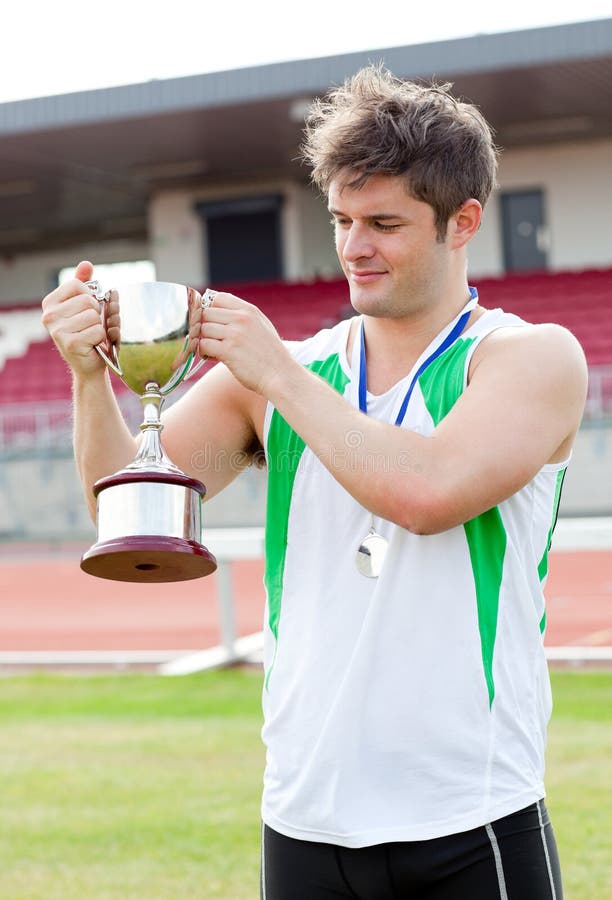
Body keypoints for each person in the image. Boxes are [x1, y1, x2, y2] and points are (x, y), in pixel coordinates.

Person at [42, 66, 587, 899]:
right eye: (339, 219)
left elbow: (427, 496)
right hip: (303, 817)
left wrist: (279, 375)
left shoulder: (530, 357)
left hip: (471, 817)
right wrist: (89, 376)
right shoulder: (281, 373)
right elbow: (121, 509)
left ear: (463, 222)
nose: (353, 247)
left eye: (384, 223)